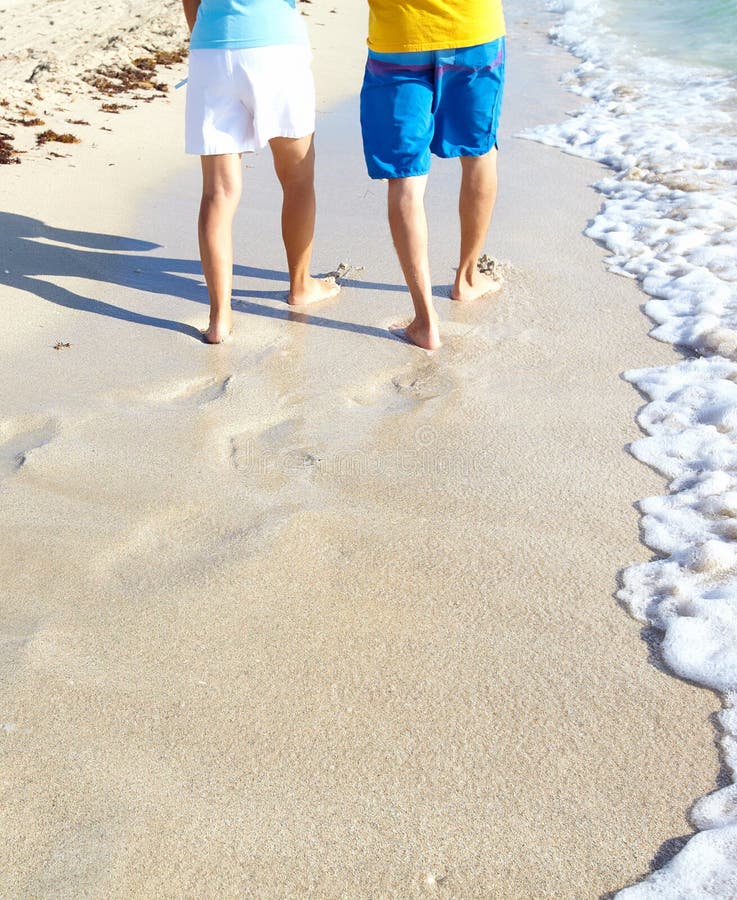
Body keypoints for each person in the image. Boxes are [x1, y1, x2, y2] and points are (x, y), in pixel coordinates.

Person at [182, 0, 339, 344]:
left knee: (218, 192)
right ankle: (300, 285)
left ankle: (219, 317)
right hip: (276, 45)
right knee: (297, 178)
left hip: (212, 49)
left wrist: (208, 37)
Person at [360, 0, 506, 350]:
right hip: (473, 28)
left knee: (406, 177)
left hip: (400, 36)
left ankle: (425, 322)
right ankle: (467, 278)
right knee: (479, 154)